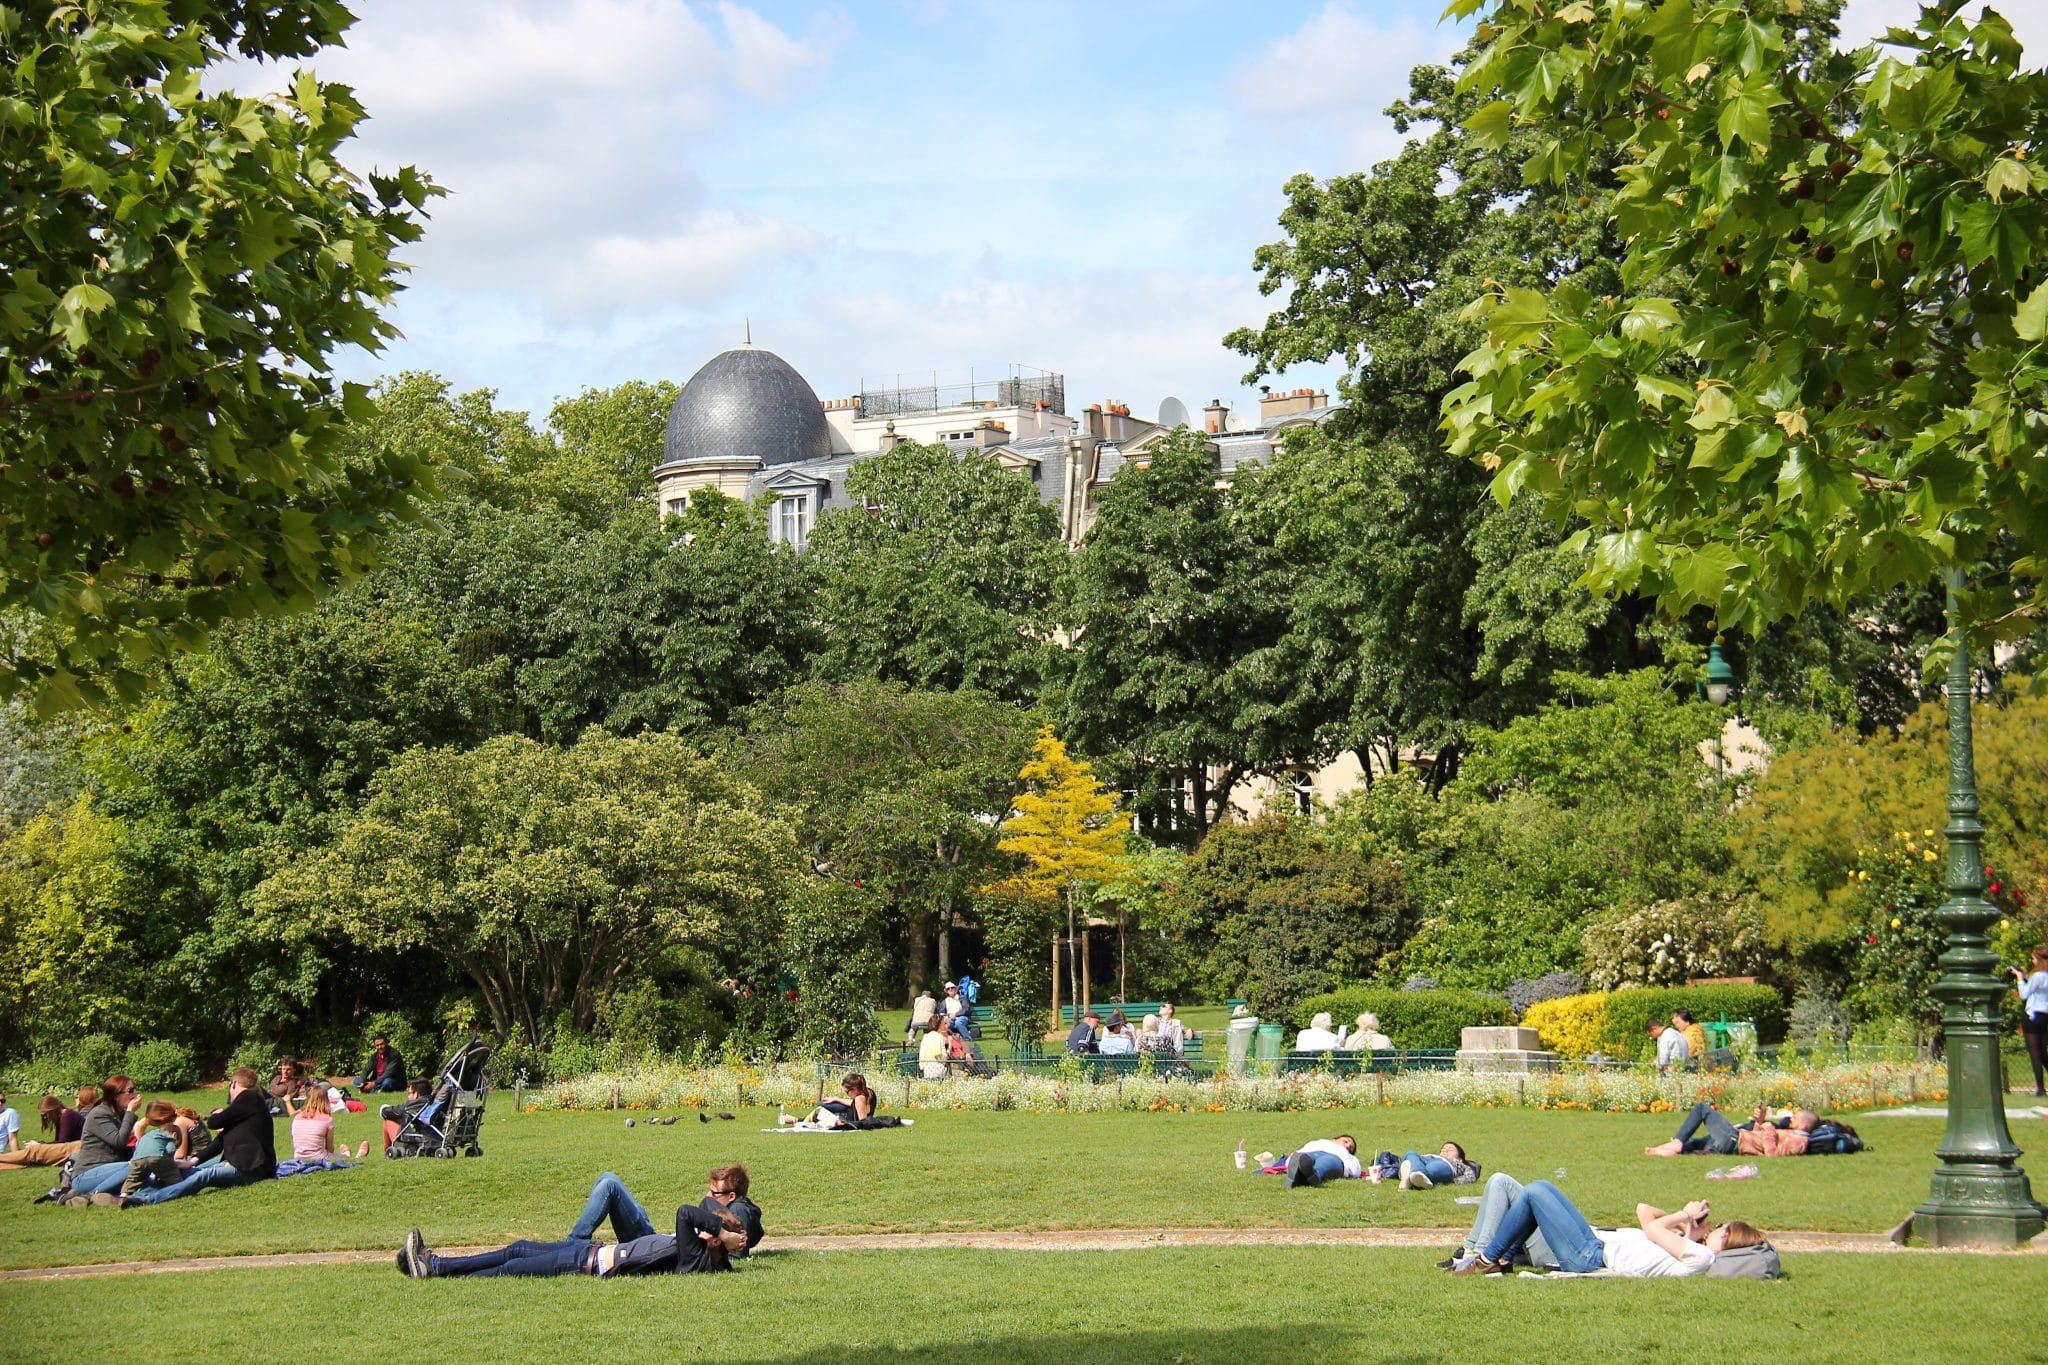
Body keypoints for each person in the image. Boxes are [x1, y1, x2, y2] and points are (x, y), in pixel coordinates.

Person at [1454, 1182, 1762, 1276]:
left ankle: (1488, 1259)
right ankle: (1497, 1259)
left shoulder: (1702, 1258)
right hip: (1591, 1243)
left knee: (1534, 1192)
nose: (1716, 1228)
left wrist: (1684, 1213)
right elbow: (1644, 1211)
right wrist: (1685, 1224)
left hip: (1590, 1256)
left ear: (1730, 1243)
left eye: (1723, 1230)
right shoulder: (1688, 1246)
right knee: (1540, 1188)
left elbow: (1652, 1227)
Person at [400, 1205, 747, 1279]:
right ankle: (435, 1263)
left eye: (709, 1232)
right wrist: (727, 1237)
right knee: (518, 1247)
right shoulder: (705, 1254)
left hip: (588, 1264)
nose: (702, 1231)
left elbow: (686, 1212)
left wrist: (721, 1231)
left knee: (513, 1267)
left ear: (715, 1241)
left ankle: (437, 1269)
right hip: (590, 1250)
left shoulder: (696, 1258)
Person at [126, 1066, 278, 1204]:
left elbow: (214, 1123)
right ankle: (139, 1194)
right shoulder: (247, 1108)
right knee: (185, 1172)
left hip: (253, 1170)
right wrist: (191, 1162)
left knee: (204, 1175)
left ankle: (148, 1199)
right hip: (242, 1166)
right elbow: (220, 1142)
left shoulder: (249, 1097)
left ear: (233, 1084)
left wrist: (219, 1114)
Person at [571, 1166, 766, 1258]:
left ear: (731, 1196)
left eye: (714, 1193)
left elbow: (736, 1253)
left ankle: (574, 1243)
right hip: (659, 1239)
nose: (708, 1195)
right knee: (609, 1176)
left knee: (609, 1186)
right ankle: (574, 1242)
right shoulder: (726, 1210)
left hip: (651, 1247)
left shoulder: (739, 1210)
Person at [1644, 1103, 1829, 1158]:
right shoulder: (1794, 1135)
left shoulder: (1799, 1141)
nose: (1791, 1119)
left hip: (1735, 1140)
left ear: (1804, 1126)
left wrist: (1769, 1128)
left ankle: (1676, 1142)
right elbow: (1760, 1137)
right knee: (1693, 1145)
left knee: (1702, 1109)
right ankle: (1662, 1151)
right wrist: (1759, 1123)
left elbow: (1771, 1153)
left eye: (1796, 1118)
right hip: (1735, 1142)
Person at [67, 1075, 143, 1198]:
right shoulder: (99, 1114)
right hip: (87, 1174)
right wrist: (130, 1112)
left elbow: (130, 1144)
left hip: (112, 1171)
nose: (135, 1094)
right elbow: (119, 1141)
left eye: (134, 1089)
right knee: (137, 1166)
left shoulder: (119, 1114)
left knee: (145, 1173)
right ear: (115, 1095)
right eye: (130, 1091)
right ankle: (89, 1195)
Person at [0, 1095, 85, 1169]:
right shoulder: (62, 1116)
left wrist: (41, 1145)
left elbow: (62, 1143)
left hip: (74, 1148)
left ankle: (4, 1159)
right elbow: (59, 1142)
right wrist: (42, 1145)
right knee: (33, 1152)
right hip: (70, 1148)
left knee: (33, 1152)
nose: (45, 1118)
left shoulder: (67, 1116)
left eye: (45, 1114)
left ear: (51, 1110)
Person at [2013, 945, 2048, 1097]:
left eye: (2034, 958)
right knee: (2043, 1052)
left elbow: (2024, 994)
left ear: (2039, 960)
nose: (2032, 961)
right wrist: (2026, 977)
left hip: (2032, 1016)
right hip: (2044, 1016)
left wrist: (2020, 979)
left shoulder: (2038, 975)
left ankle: (2040, 1088)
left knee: (2035, 1053)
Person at [1283, 1135, 1361, 1187]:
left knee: (1325, 1162)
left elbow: (1355, 1171)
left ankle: (1314, 1175)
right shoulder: (1320, 1142)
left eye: (1351, 1148)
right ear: (1333, 1140)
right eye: (1345, 1141)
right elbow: (1303, 1150)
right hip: (1311, 1153)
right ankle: (1300, 1172)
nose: (1347, 1145)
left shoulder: (1350, 1156)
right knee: (1304, 1158)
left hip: (1335, 1158)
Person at [381, 1076, 435, 1150]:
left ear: (416, 1094)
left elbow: (389, 1112)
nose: (408, 1096)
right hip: (431, 1140)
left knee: (388, 1122)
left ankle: (387, 1152)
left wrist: (383, 1108)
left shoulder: (412, 1106)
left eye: (409, 1093)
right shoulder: (433, 1104)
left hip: (411, 1142)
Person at [1398, 1141, 1480, 1189]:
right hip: (1424, 1159)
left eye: (1450, 1149)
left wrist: (1454, 1181)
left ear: (1460, 1158)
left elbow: (1471, 1176)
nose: (1445, 1150)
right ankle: (1416, 1176)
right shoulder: (1434, 1156)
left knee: (1412, 1163)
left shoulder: (1459, 1163)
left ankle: (1410, 1176)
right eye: (1443, 1149)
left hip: (1445, 1164)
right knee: (1410, 1152)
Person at [291, 1087, 339, 1161]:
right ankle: (350, 1154)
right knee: (344, 1157)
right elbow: (330, 1149)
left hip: (298, 1158)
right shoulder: (327, 1119)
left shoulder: (297, 1118)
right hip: (319, 1158)